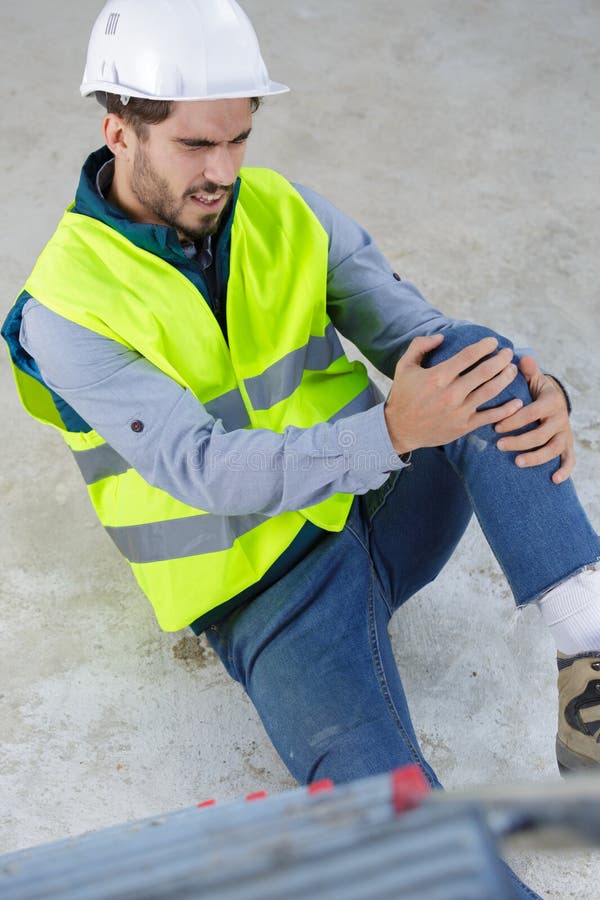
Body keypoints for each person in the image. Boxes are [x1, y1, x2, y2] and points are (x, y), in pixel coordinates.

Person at [2, 1, 599, 894]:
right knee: (388, 822)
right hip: (267, 600)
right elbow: (201, 469)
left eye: (238, 139)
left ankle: (589, 663)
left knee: (473, 354)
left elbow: (426, 339)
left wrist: (533, 392)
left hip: (382, 509)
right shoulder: (66, 309)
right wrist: (397, 429)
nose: (224, 170)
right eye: (196, 147)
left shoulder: (282, 211)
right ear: (119, 132)